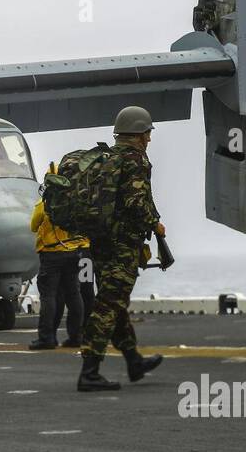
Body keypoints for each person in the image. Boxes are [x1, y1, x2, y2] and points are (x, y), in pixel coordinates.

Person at [77, 106, 166, 392]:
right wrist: (155, 224)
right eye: (147, 134)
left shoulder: (106, 158)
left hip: (101, 241)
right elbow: (136, 202)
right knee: (107, 306)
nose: (149, 139)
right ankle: (89, 372)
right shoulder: (134, 159)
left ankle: (133, 360)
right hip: (123, 245)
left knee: (114, 304)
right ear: (139, 134)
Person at [28, 171, 87, 349]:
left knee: (49, 296)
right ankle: (77, 336)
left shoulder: (44, 204)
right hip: (73, 253)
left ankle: (47, 338)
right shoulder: (75, 202)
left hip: (51, 254)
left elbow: (33, 226)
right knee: (74, 295)